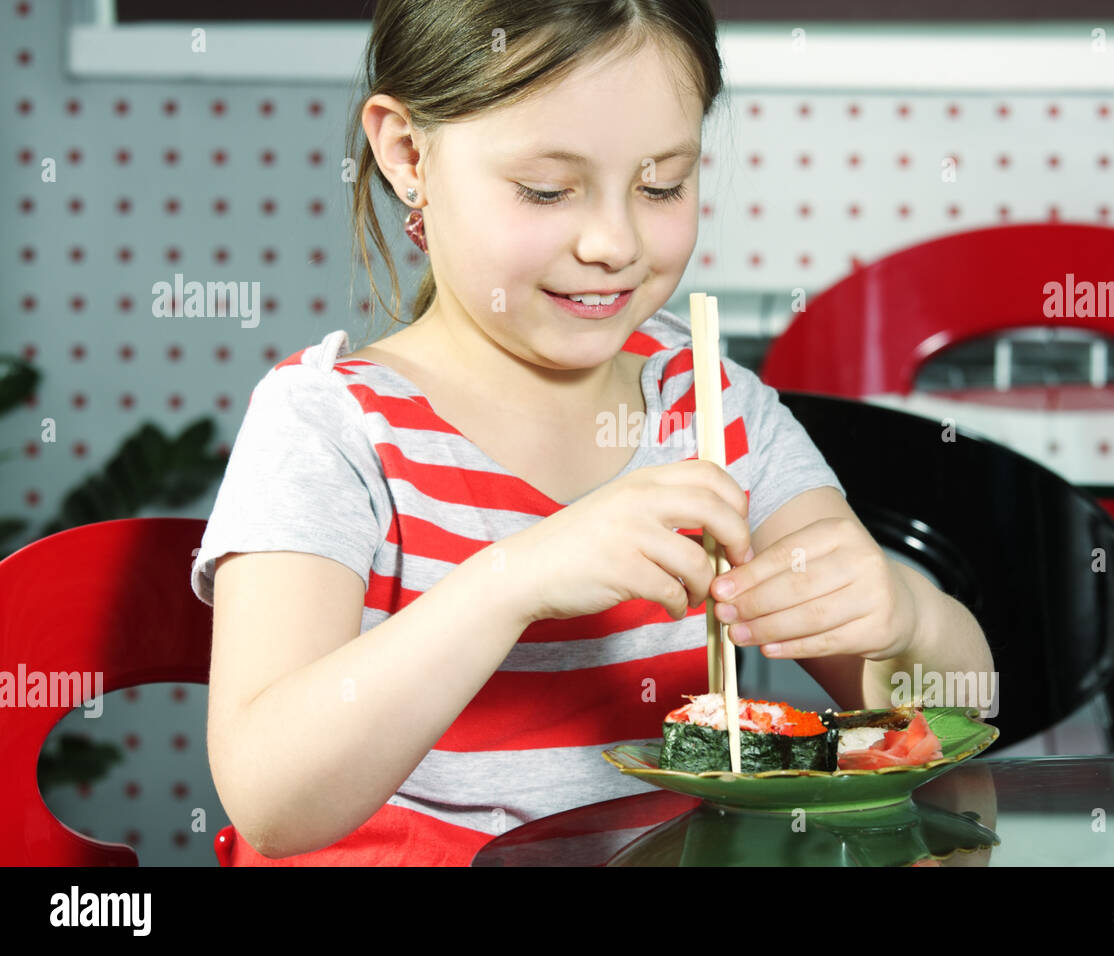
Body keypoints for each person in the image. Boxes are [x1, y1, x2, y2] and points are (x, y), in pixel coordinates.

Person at [191, 0, 995, 866]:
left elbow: (950, 706)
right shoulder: (330, 426)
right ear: (406, 152)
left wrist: (905, 617)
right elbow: (271, 800)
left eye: (661, 186)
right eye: (546, 189)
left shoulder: (716, 410)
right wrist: (513, 580)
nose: (614, 241)